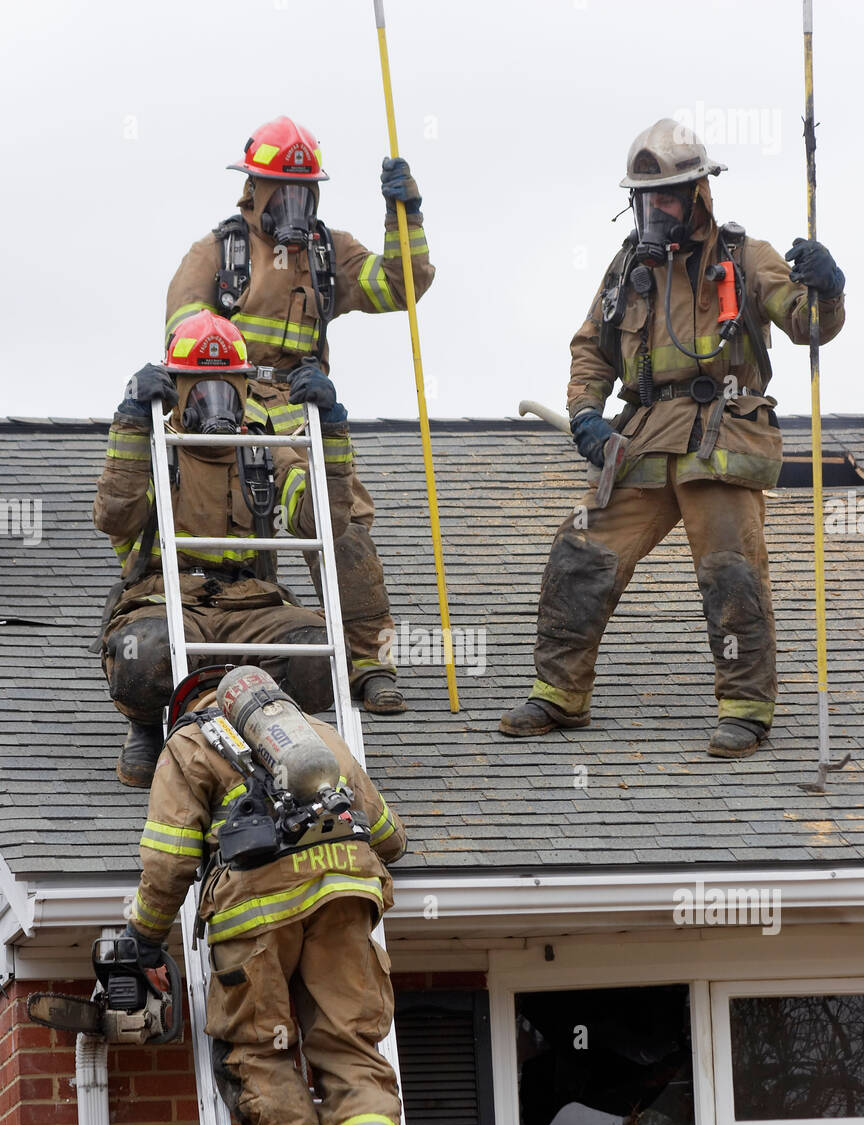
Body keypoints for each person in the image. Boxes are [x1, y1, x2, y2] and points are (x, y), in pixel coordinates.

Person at [500, 118, 846, 758]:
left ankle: (746, 706)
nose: (654, 209)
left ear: (697, 195)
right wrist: (585, 415)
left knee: (729, 569)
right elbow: (591, 348)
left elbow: (809, 325)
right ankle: (559, 692)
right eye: (645, 197)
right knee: (579, 550)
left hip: (722, 434)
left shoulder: (745, 256)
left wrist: (827, 289)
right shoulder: (628, 266)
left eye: (667, 196)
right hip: (644, 437)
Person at [123, 663, 408, 1125]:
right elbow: (389, 836)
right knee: (351, 1045)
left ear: (189, 705)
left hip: (256, 913)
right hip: (345, 898)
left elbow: (169, 859)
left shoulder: (190, 744)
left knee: (255, 1044)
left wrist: (144, 937)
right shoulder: (318, 735)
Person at [166, 115, 436, 714]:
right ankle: (219, 647)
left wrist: (405, 218)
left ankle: (369, 663)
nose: (293, 202)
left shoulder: (327, 251)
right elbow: (182, 336)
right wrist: (218, 390)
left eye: (303, 190)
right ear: (253, 190)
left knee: (341, 519)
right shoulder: (216, 252)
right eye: (281, 190)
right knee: (224, 519)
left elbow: (400, 286)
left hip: (302, 405)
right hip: (225, 406)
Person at [94, 309, 355, 787]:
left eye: (225, 381)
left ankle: (273, 730)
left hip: (251, 601)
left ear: (245, 387)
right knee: (143, 651)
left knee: (319, 654)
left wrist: (332, 435)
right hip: (165, 596)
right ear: (175, 388)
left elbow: (326, 521)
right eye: (197, 382)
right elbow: (114, 518)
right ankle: (148, 727)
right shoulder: (154, 446)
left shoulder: (266, 452)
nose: (212, 396)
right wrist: (130, 427)